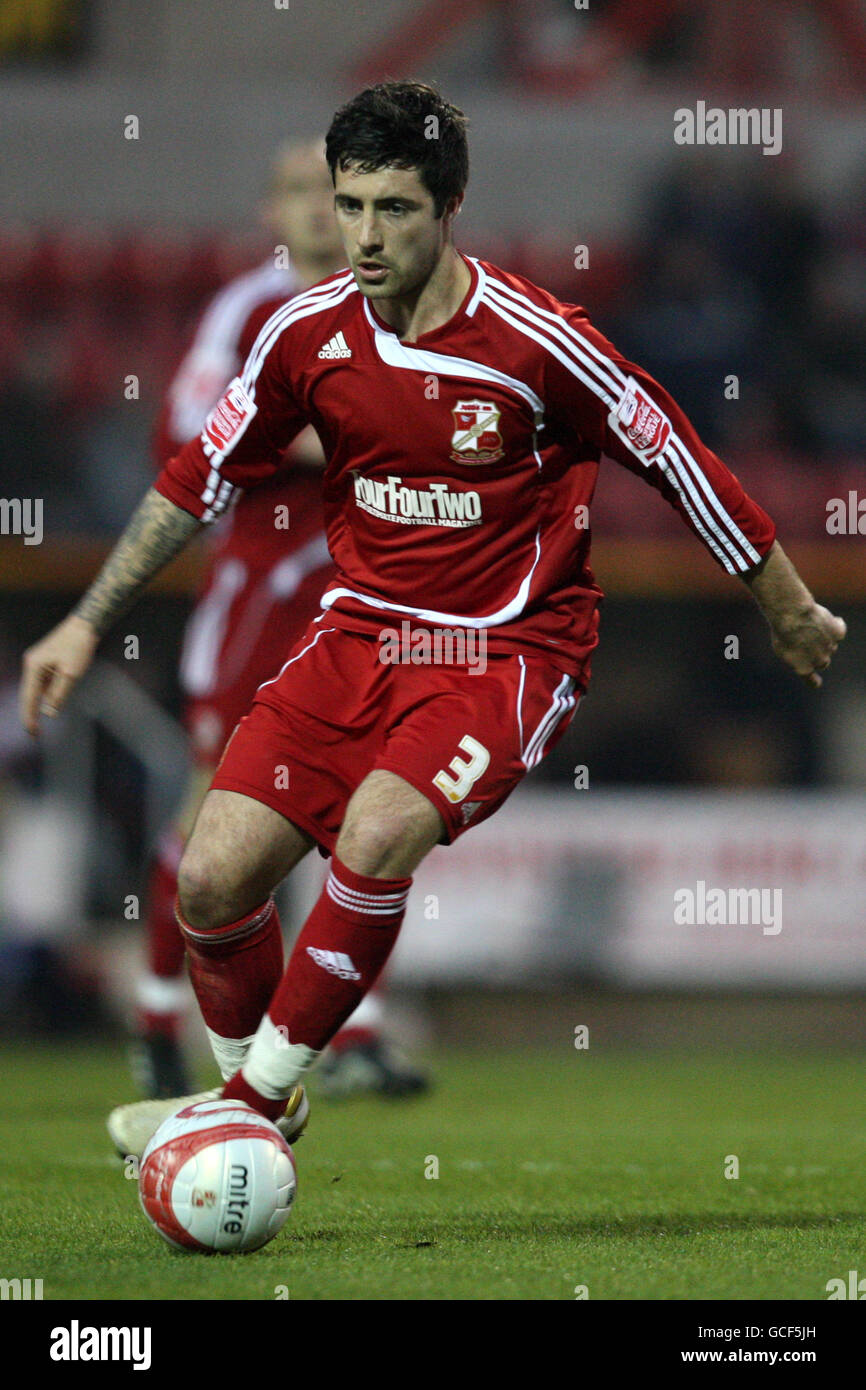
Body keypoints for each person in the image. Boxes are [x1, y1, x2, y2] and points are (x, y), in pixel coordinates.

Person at [20, 82, 845, 1160]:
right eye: (350, 204)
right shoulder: (299, 334)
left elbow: (678, 456)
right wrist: (86, 622)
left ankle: (246, 1116)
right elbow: (194, 480)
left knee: (373, 837)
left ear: (450, 203)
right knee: (214, 879)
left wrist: (785, 608)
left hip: (503, 651)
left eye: (393, 209)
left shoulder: (538, 341)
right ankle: (255, 1097)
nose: (361, 235)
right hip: (356, 634)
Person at [132, 138, 428, 1103]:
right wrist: (324, 432)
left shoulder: (398, 305)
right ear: (271, 212)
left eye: (334, 197)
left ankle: (352, 1033)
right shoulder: (249, 310)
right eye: (301, 194)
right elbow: (184, 434)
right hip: (259, 594)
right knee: (217, 806)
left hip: (364, 596)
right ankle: (154, 1013)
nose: (320, 213)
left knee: (365, 814)